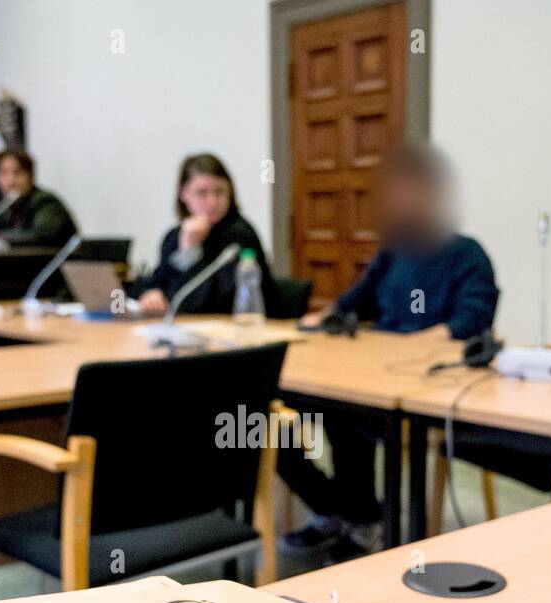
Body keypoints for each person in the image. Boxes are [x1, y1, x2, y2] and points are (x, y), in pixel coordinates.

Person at [280, 142, 500, 560]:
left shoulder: (468, 256)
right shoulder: (394, 251)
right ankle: (336, 509)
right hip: (368, 371)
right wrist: (318, 318)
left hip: (423, 386)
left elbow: (467, 327)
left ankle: (361, 521)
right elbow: (354, 301)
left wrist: (399, 348)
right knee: (265, 408)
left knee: (343, 410)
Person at [138, 153, 283, 317]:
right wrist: (152, 294)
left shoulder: (240, 236)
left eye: (220, 192)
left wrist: (191, 252)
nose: (213, 202)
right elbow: (158, 280)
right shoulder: (175, 236)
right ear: (184, 194)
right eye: (202, 193)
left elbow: (203, 304)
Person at [0, 150, 77, 247]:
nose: (11, 180)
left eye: (17, 172)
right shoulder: (2, 206)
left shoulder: (45, 202)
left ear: (30, 175)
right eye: (4, 173)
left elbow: (41, 236)